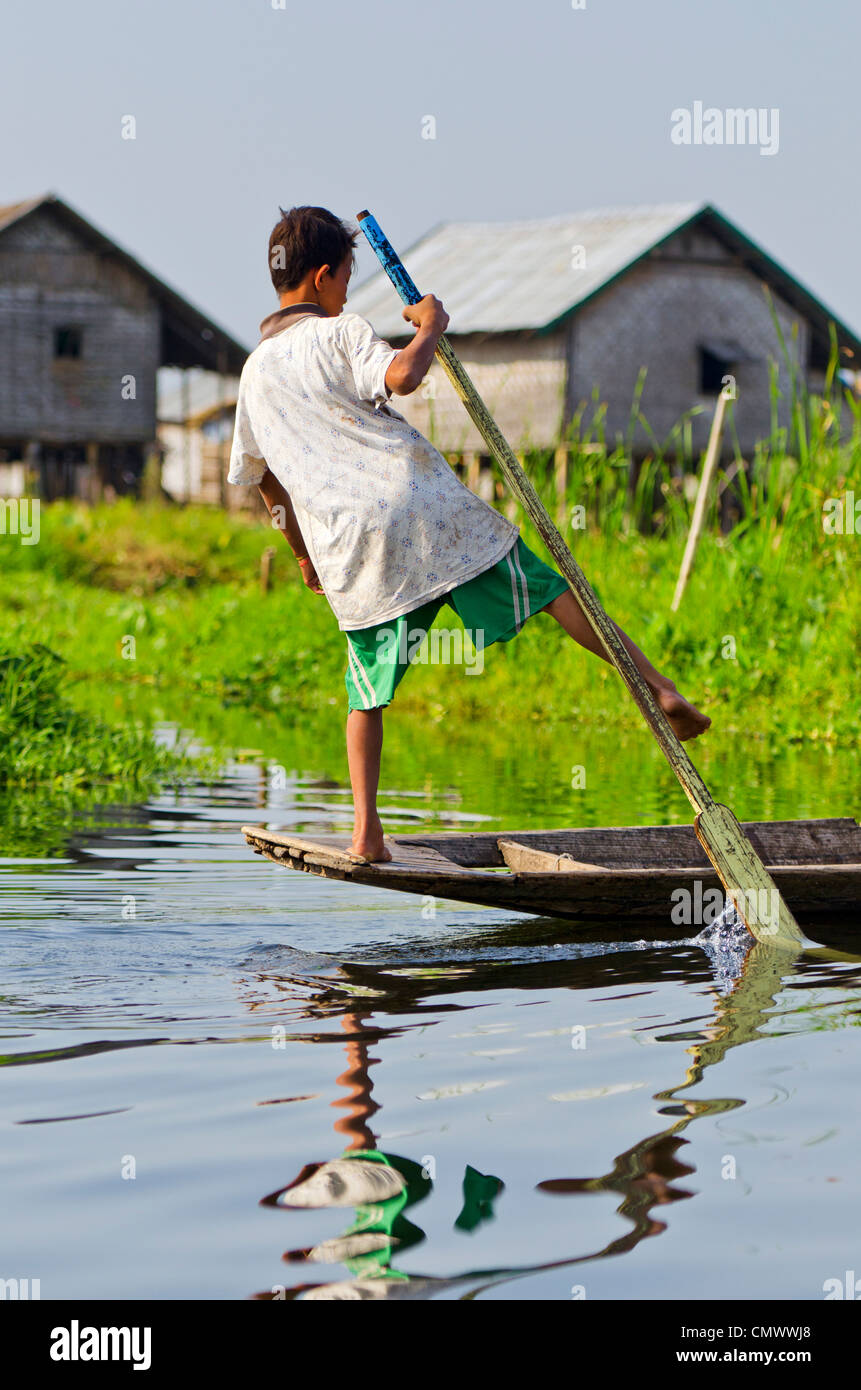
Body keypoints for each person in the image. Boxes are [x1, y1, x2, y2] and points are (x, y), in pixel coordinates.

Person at [228, 206, 710, 863]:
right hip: (423, 505)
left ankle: (366, 833)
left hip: (348, 542)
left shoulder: (254, 374)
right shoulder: (338, 333)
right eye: (344, 278)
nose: (347, 291)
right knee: (549, 591)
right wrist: (429, 326)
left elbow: (263, 483)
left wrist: (302, 557)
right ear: (320, 278)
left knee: (365, 691)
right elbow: (401, 377)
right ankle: (657, 689)